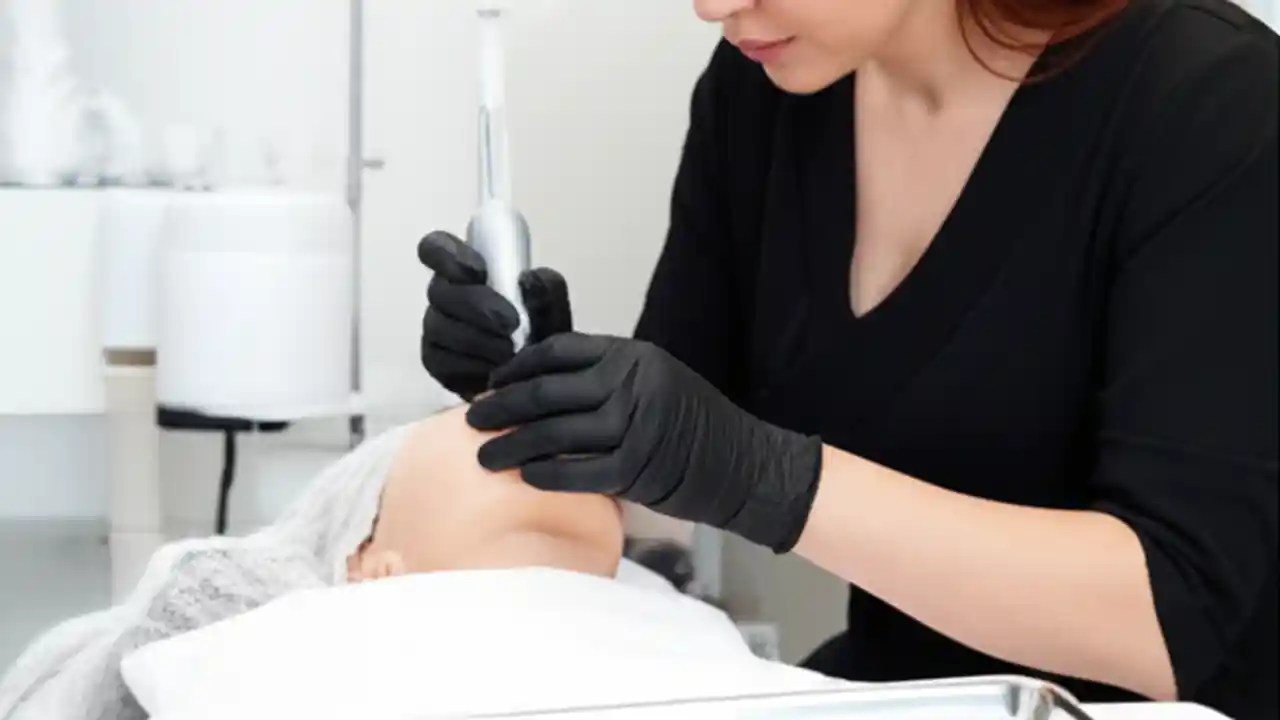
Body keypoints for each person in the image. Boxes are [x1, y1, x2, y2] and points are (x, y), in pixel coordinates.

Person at [415, 0, 1278, 717]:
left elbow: (1167, 618)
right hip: (904, 695)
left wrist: (766, 476)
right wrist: (538, 393)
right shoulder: (762, 91)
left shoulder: (1212, 106)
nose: (713, 7)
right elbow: (665, 481)